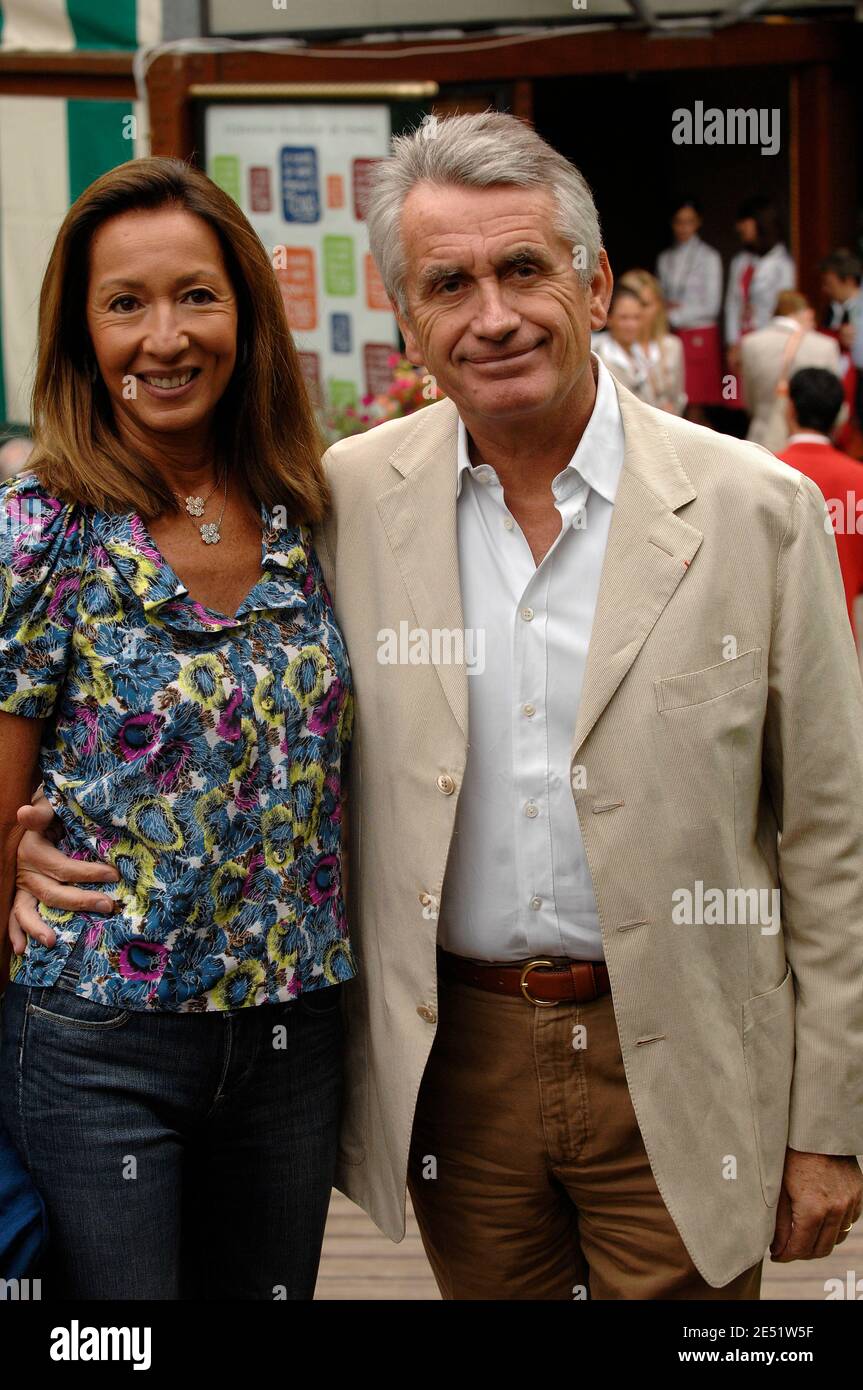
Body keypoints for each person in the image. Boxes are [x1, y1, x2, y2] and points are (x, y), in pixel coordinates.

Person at [11, 113, 863, 1302]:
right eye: (446, 284)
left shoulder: (754, 512)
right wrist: (25, 841)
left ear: (595, 279)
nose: (492, 315)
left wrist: (827, 1119)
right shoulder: (340, 503)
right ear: (408, 323)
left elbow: (833, 839)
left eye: (524, 269)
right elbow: (194, 692)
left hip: (682, 1057)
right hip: (453, 1071)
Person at [0, 157, 354, 1300]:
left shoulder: (308, 505)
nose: (164, 337)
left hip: (292, 1037)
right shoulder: (40, 525)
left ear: (246, 312)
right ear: (79, 333)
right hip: (97, 1042)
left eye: (196, 295)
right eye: (124, 303)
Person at [777, 367, 863, 639]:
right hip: (841, 637)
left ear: (790, 409)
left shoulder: (766, 470)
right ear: (840, 416)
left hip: (777, 639)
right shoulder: (859, 478)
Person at [740, 290, 842, 453]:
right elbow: (834, 401)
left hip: (761, 441)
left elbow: (749, 399)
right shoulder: (826, 345)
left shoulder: (750, 343)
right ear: (802, 312)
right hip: (811, 446)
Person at [656, 199, 723, 419]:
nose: (684, 228)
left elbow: (712, 306)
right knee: (675, 404)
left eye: (690, 222)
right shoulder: (665, 258)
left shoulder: (710, 257)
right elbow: (660, 298)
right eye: (679, 222)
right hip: (672, 334)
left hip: (699, 333)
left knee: (696, 406)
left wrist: (674, 314)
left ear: (698, 223)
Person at [725, 196, 796, 377]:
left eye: (744, 222)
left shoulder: (783, 265)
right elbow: (732, 305)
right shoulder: (740, 262)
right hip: (741, 341)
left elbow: (784, 309)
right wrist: (733, 342)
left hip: (770, 342)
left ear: (761, 223)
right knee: (734, 394)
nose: (739, 227)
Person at [619, 268, 687, 415]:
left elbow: (679, 397)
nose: (638, 312)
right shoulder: (608, 349)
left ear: (658, 306)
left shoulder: (673, 345)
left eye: (645, 305)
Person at [591, 285, 655, 403]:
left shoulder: (646, 354)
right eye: (624, 318)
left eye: (636, 317)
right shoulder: (596, 354)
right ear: (609, 319)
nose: (631, 325)